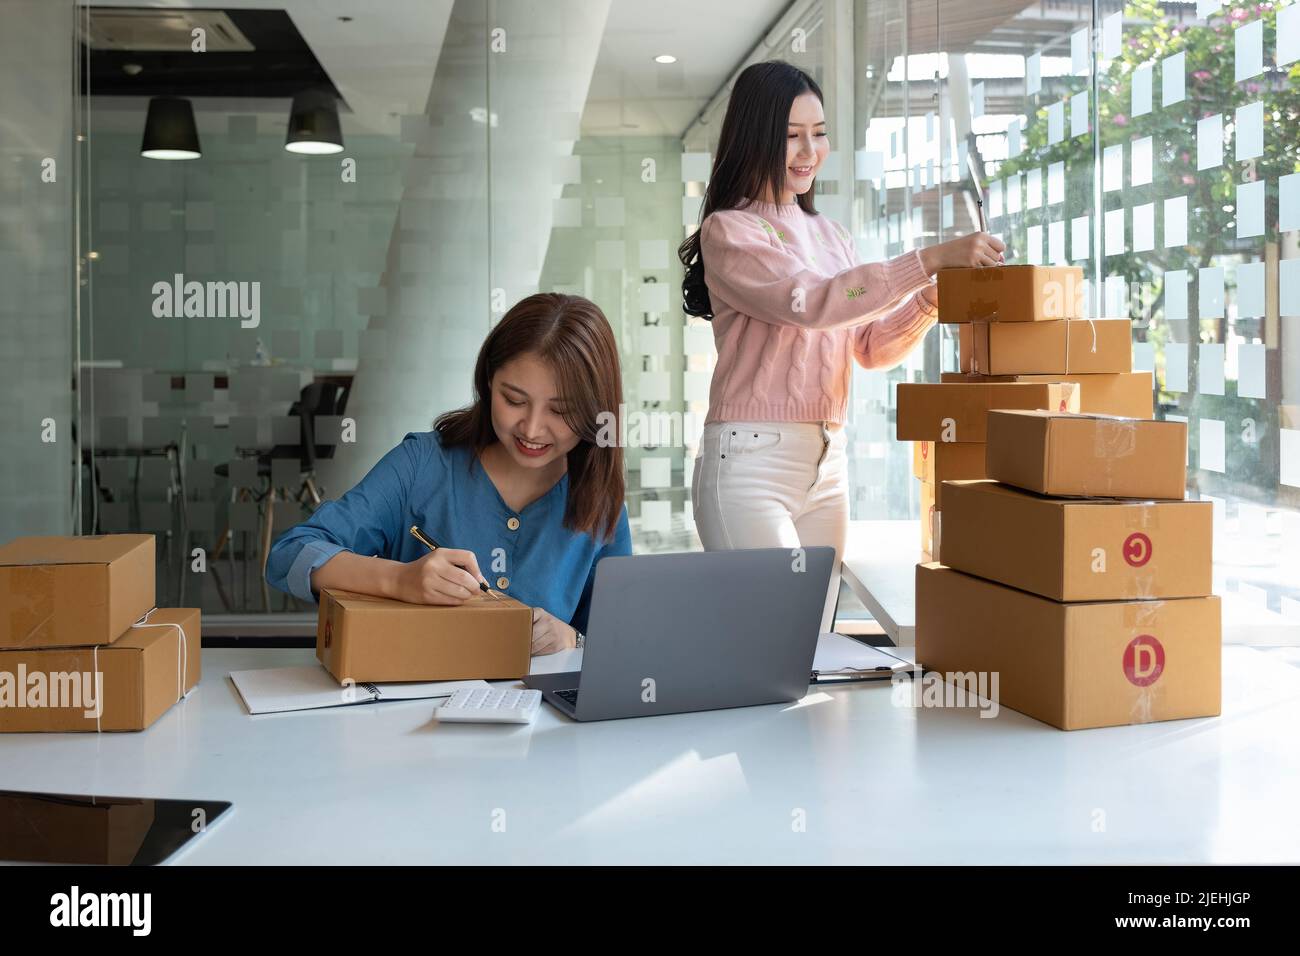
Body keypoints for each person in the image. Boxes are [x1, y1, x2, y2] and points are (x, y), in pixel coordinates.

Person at [678, 60, 1005, 633]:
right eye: (791, 136)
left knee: (810, 643)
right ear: (755, 137)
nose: (809, 151)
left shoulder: (834, 237)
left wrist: (933, 296)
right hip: (749, 464)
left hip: (828, 463)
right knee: (770, 637)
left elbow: (871, 345)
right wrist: (927, 259)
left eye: (819, 132)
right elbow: (811, 303)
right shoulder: (731, 231)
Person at [266, 293, 632, 655]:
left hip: (544, 712)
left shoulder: (601, 501)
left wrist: (572, 638)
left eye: (561, 410)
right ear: (489, 382)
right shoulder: (422, 464)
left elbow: (621, 644)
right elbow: (288, 555)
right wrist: (400, 579)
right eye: (514, 400)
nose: (533, 429)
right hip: (408, 707)